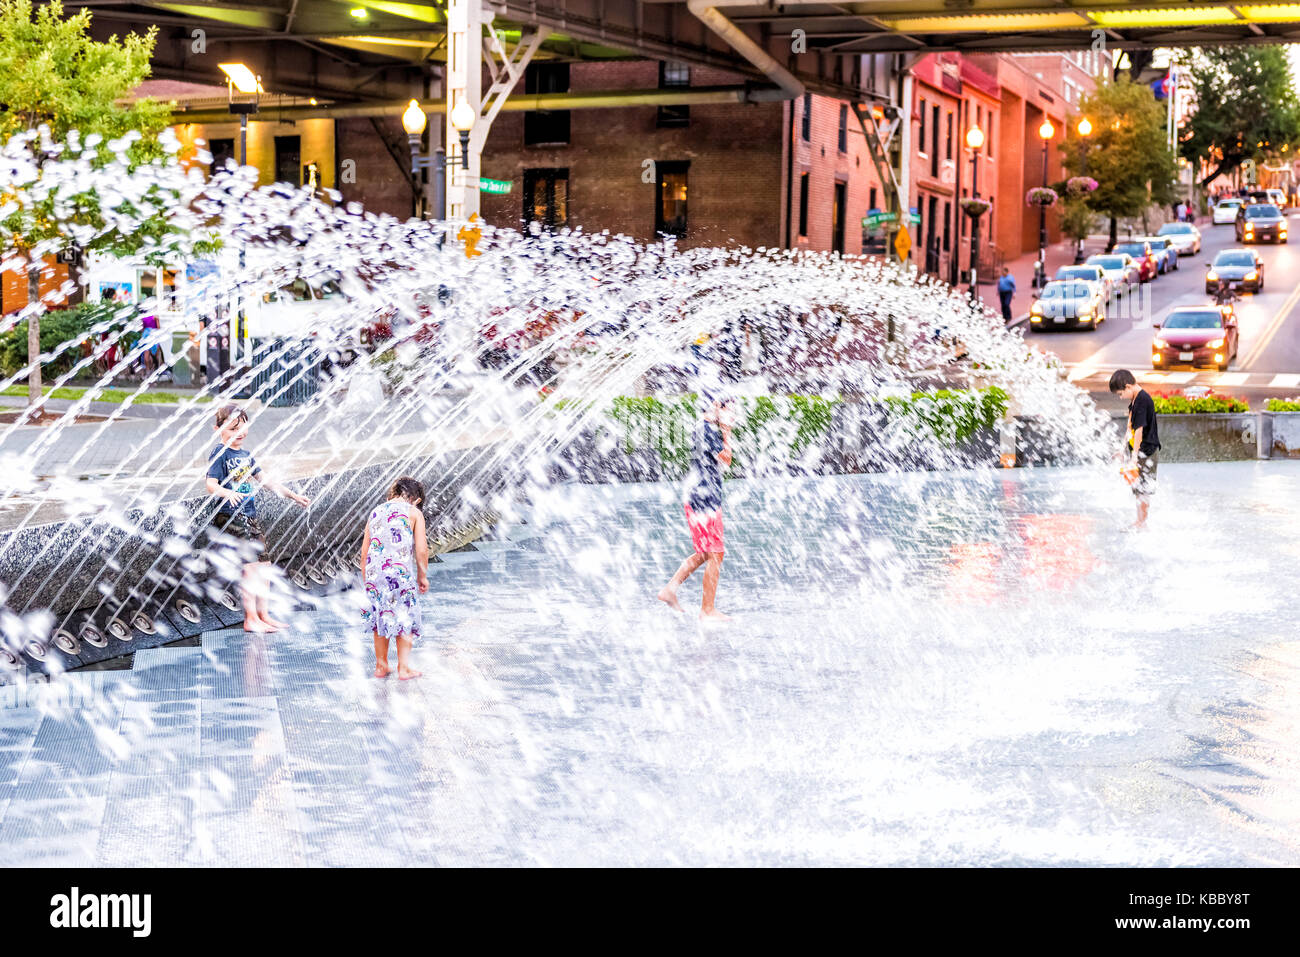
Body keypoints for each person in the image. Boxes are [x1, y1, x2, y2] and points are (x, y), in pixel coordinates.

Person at [206, 404, 312, 632]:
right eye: (233, 428)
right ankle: (250, 618)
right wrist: (228, 493)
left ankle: (264, 614)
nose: (240, 433)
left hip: (248, 515)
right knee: (251, 566)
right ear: (218, 429)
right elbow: (210, 484)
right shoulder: (220, 453)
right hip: (230, 515)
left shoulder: (246, 455)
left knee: (264, 565)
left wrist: (293, 495)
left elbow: (266, 481)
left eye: (243, 427)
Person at [658, 391, 734, 622]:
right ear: (715, 406)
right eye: (728, 408)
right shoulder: (710, 430)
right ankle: (707, 609)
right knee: (716, 553)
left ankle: (670, 590)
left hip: (695, 495)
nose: (732, 413)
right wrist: (727, 431)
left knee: (704, 553)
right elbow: (727, 459)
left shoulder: (699, 427)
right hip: (706, 497)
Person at [360, 476, 429, 680]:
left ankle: (381, 667)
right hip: (399, 574)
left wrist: (367, 579)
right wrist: (422, 576)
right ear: (416, 499)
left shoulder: (375, 512)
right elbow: (422, 550)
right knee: (404, 616)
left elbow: (364, 552)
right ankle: (404, 668)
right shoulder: (414, 512)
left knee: (380, 618)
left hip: (375, 575)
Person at [1109, 370, 1160, 529]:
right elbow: (1130, 427)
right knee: (1137, 487)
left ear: (1128, 386)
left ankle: (1142, 522)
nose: (1121, 397)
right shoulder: (1134, 401)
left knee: (1143, 488)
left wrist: (1134, 457)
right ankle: (1140, 520)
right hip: (1139, 451)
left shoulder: (1142, 401)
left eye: (1120, 393)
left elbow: (1139, 430)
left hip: (1148, 451)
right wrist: (1122, 449)